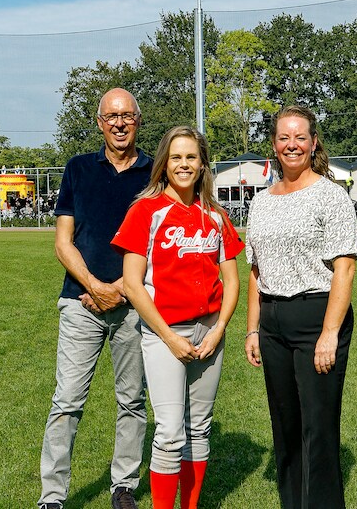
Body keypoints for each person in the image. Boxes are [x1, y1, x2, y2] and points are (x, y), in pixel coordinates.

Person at [113, 126, 243, 509]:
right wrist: (169, 337)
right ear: (164, 164)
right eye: (176, 157)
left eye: (191, 157)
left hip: (209, 334)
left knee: (199, 430)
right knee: (170, 433)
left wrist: (219, 330)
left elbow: (232, 280)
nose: (184, 164)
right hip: (164, 334)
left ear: (203, 164)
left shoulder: (215, 215)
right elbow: (134, 286)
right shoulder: (145, 211)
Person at [243, 106, 357, 508]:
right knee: (286, 427)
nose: (291, 145)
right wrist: (253, 329)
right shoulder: (260, 201)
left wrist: (329, 333)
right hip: (273, 321)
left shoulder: (331, 196)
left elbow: (344, 271)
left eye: (299, 137)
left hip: (317, 317)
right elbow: (255, 271)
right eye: (283, 137)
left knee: (318, 429)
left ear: (313, 143)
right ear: (274, 145)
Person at [39, 88, 150, 509]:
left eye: (127, 116)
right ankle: (52, 497)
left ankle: (123, 487)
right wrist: (93, 285)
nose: (119, 123)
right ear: (99, 122)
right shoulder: (78, 169)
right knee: (67, 400)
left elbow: (157, 243)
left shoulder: (154, 173)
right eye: (111, 116)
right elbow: (63, 242)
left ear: (138, 121)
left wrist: (121, 288)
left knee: (132, 400)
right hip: (80, 303)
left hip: (134, 304)